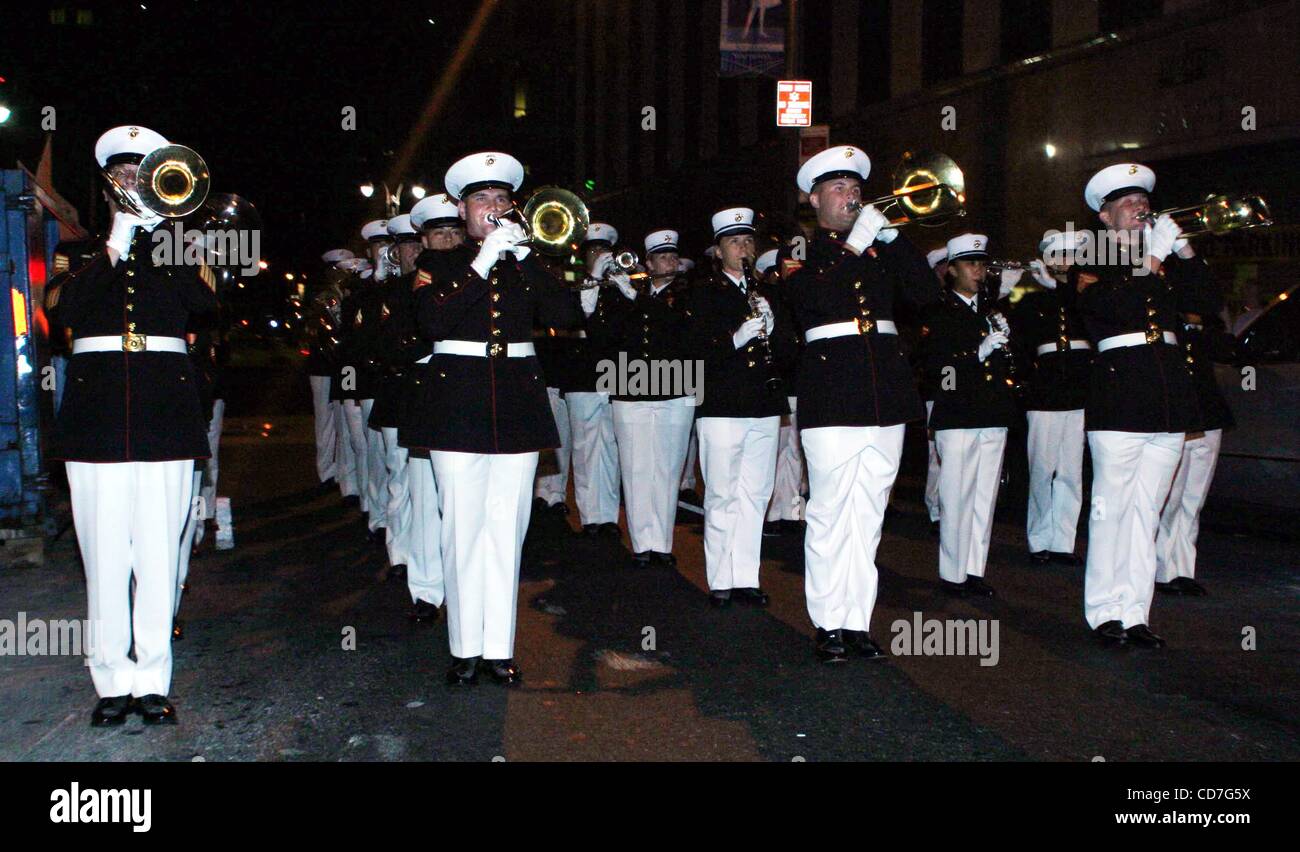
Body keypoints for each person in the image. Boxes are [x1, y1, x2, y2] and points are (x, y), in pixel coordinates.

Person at [46, 125, 218, 726]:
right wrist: (115, 245)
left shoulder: (180, 246)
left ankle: (152, 679)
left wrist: (161, 234)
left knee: (156, 550)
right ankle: (110, 681)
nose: (131, 184)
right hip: (96, 414)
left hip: (165, 410)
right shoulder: (80, 249)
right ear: (106, 183)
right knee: (104, 553)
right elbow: (62, 309)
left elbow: (203, 306)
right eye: (122, 176)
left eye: (141, 175)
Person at [405, 151, 582, 685]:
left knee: (507, 529)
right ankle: (464, 647)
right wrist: (483, 262)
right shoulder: (438, 265)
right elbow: (433, 320)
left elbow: (567, 315)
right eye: (481, 199)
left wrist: (525, 257)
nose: (493, 208)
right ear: (462, 210)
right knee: (463, 527)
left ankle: (498, 646)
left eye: (502, 199)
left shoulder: (526, 263)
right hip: (457, 401)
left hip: (518, 401)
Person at [782, 145, 939, 662]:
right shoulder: (800, 251)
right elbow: (811, 302)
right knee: (830, 511)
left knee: (869, 514)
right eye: (838, 188)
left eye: (855, 188)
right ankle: (828, 622)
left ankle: (856, 621)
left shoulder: (880, 248)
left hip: (884, 392)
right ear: (814, 198)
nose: (851, 196)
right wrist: (854, 248)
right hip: (832, 393)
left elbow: (926, 297)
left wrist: (893, 239)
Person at [1065, 162, 1210, 648]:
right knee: (1112, 508)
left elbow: (1205, 300)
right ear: (1105, 218)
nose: (1140, 208)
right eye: (1127, 203)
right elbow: (1108, 309)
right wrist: (1151, 259)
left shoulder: (1165, 258)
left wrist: (1185, 251)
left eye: (1143, 201)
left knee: (1147, 511)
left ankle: (1135, 612)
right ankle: (1105, 611)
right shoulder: (1093, 258)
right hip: (1119, 394)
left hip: (1165, 394)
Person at [683, 207, 792, 608]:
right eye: (734, 242)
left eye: (748, 241)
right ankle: (721, 578)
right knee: (723, 493)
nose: (743, 249)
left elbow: (789, 352)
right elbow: (691, 350)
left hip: (763, 402)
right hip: (723, 404)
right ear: (718, 250)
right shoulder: (703, 293)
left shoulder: (769, 292)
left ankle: (747, 576)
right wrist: (736, 337)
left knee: (756, 494)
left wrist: (774, 327)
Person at [589, 228, 694, 567]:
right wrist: (602, 285)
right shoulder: (626, 291)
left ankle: (661, 544)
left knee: (667, 468)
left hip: (676, 386)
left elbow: (677, 328)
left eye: (673, 255)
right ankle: (641, 543)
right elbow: (602, 333)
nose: (670, 261)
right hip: (630, 385)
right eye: (662, 256)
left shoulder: (689, 291)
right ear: (648, 263)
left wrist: (635, 297)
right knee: (635, 468)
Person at [920, 234, 1018, 597]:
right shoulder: (940, 311)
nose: (979, 271)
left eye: (981, 264)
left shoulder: (989, 311)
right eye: (971, 264)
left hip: (992, 410)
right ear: (952, 271)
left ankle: (974, 569)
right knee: (957, 496)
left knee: (984, 497)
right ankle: (952, 572)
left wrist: (1006, 340)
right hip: (958, 414)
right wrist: (978, 353)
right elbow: (938, 371)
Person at [398, 191, 465, 622]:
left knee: (463, 505)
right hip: (427, 391)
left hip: (467, 392)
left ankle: (464, 591)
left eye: (454, 231)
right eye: (438, 233)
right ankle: (426, 590)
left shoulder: (481, 274)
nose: (447, 240)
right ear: (424, 240)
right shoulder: (413, 283)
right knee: (426, 499)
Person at [1012, 230, 1093, 566]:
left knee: (1072, 473)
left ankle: (1063, 542)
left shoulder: (1087, 297)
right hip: (1045, 389)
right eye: (1058, 256)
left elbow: (1086, 318)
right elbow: (1018, 342)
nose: (1064, 263)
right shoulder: (1033, 301)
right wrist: (1026, 379)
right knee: (1043, 469)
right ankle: (1039, 539)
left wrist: (1060, 289)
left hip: (1080, 385)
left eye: (1071, 256)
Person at [1155, 301, 1234, 596]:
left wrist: (1201, 325)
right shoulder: (1162, 317)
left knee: (1194, 498)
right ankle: (1163, 568)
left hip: (1208, 413)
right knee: (1171, 497)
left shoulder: (1207, 329)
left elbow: (1228, 350)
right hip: (1180, 413)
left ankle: (1183, 569)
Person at [566, 223, 624, 538]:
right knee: (587, 448)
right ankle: (590, 516)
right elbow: (573, 319)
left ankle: (609, 517)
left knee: (612, 449)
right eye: (595, 252)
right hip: (583, 378)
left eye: (605, 251)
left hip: (615, 376)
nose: (601, 256)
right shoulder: (573, 283)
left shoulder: (618, 287)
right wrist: (592, 282)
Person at [758, 247, 807, 536]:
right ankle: (771, 513)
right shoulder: (768, 299)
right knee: (775, 452)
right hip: (779, 382)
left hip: (798, 382)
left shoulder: (795, 298)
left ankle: (790, 511)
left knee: (795, 452)